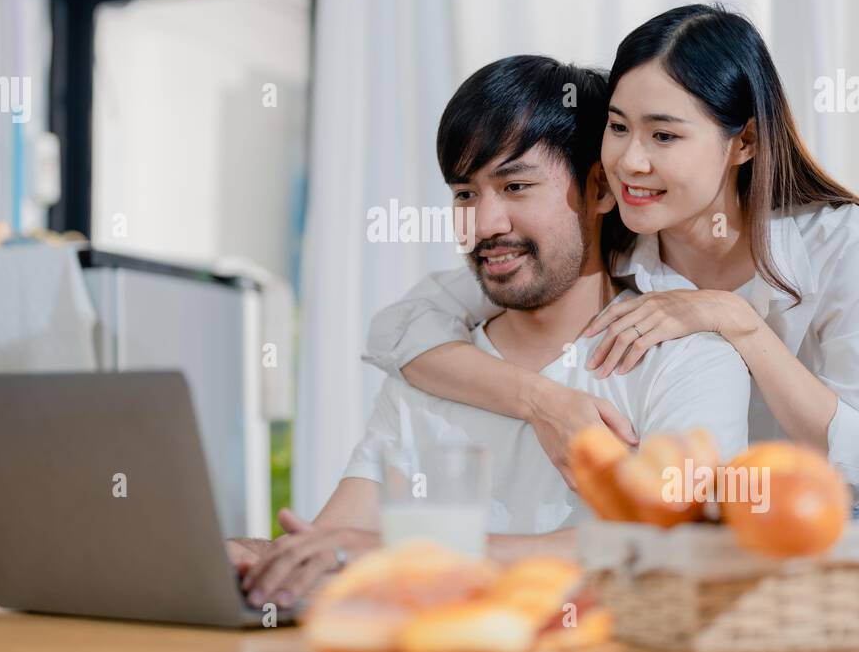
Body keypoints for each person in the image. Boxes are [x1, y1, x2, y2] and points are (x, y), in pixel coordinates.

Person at [364, 5, 859, 601]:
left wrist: (736, 322)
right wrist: (542, 402)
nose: (630, 161)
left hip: (814, 539)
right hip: (688, 553)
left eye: (663, 134)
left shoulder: (835, 240)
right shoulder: (610, 234)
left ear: (744, 141)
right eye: (617, 127)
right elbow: (398, 330)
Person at [230, 55, 750, 610]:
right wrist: (257, 557)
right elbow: (335, 540)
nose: (484, 225)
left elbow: (672, 545)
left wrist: (399, 556)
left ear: (601, 190)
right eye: (465, 194)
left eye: (516, 186)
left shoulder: (687, 361)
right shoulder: (432, 370)